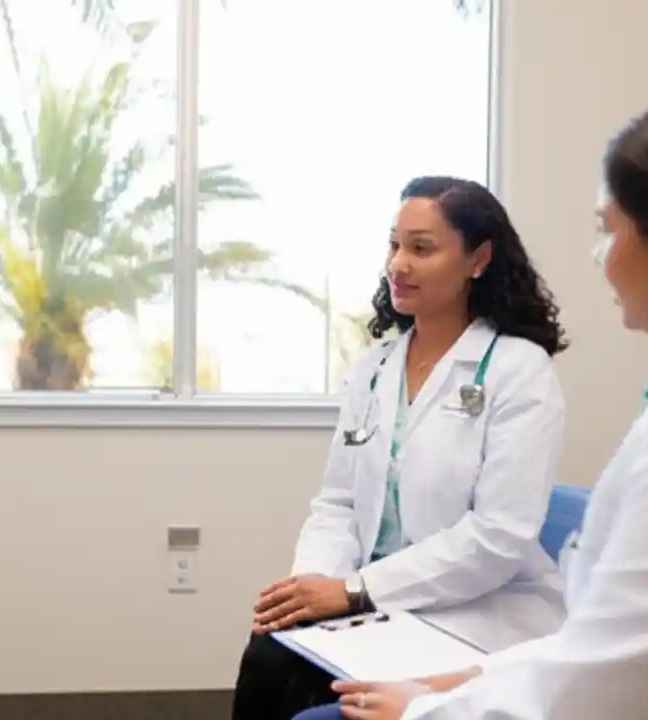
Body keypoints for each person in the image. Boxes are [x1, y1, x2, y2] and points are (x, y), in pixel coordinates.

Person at [309, 81, 648, 720]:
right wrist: (455, 682)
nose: (598, 257)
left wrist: (426, 709)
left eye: (607, 229)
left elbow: (609, 689)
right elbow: (606, 645)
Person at [232, 176, 570, 719]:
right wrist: (311, 589)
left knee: (318, 691)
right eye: (394, 245)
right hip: (372, 606)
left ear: (478, 259)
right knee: (272, 651)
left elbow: (498, 537)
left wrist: (354, 590)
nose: (398, 264)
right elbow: (337, 503)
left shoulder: (518, 370)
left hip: (474, 612)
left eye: (421, 248)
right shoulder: (376, 369)